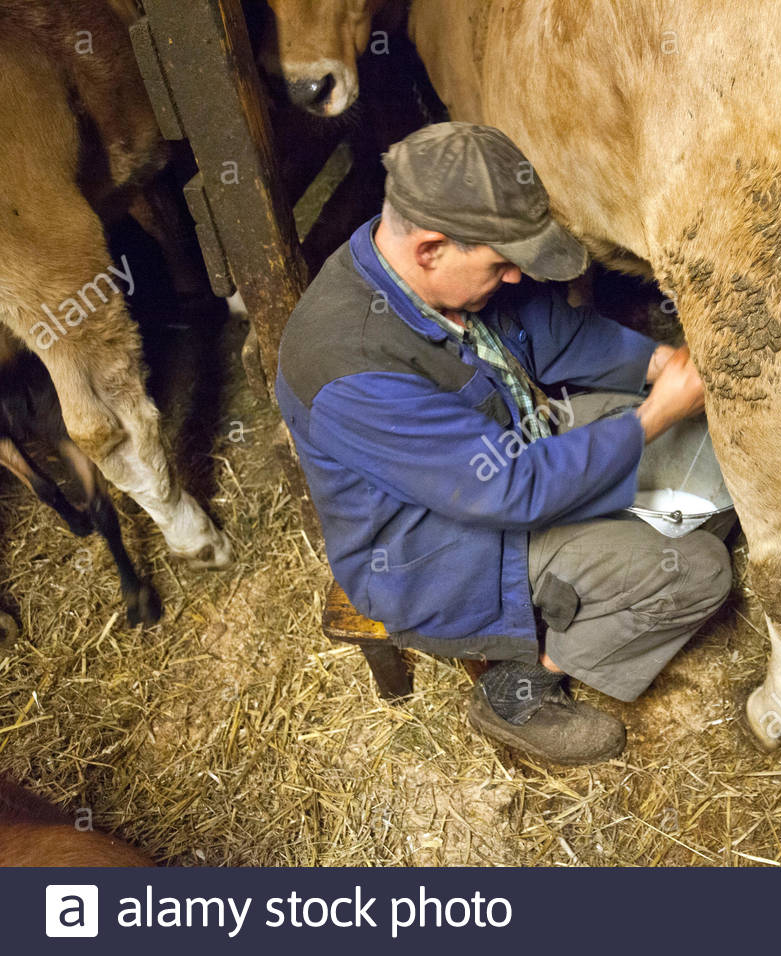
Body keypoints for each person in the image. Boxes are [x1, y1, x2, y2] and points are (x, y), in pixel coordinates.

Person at [275, 122, 732, 765]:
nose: (516, 278)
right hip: (440, 553)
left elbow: (554, 334)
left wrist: (660, 366)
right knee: (702, 572)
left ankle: (606, 549)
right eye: (501, 263)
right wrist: (651, 417)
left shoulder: (435, 279)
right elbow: (512, 490)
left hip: (512, 448)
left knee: (701, 447)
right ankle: (522, 681)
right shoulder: (349, 364)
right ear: (431, 248)